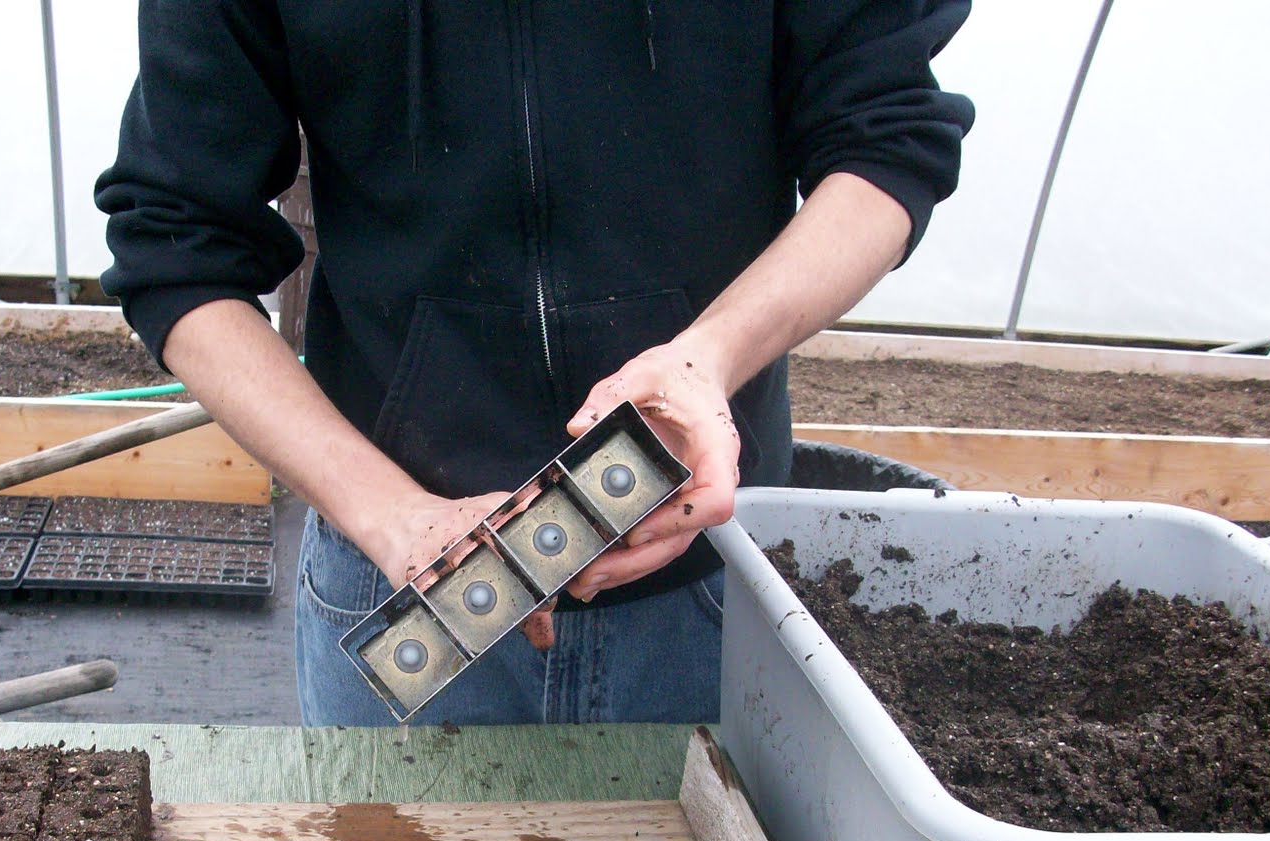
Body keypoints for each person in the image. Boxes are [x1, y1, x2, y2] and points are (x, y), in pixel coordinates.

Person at [96, 2, 974, 726]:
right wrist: (394, 516)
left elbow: (884, 138)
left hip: (715, 584)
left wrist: (708, 356)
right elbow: (176, 244)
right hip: (402, 589)